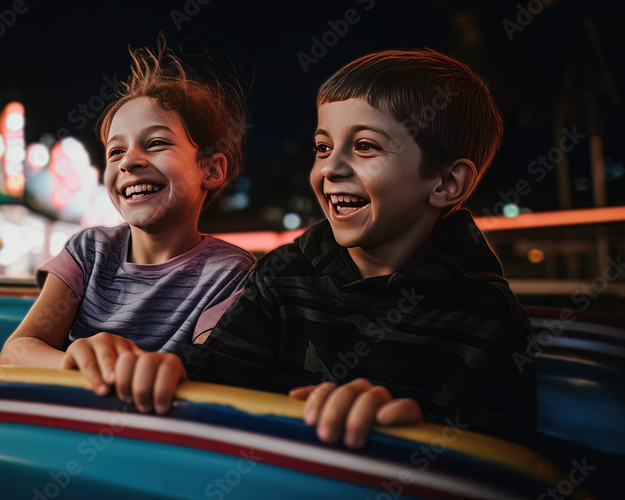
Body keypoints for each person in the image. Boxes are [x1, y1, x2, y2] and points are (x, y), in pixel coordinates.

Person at [71, 49, 537, 449]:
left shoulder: (487, 313)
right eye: (322, 147)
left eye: (366, 147)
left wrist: (407, 430)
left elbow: (500, 468)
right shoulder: (282, 275)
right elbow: (209, 383)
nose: (330, 168)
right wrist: (157, 374)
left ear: (446, 182)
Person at [0, 39, 255, 387]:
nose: (129, 161)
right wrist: (73, 363)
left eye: (156, 143)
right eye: (115, 151)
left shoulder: (232, 273)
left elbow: (211, 376)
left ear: (210, 169)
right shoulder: (88, 251)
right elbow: (16, 351)